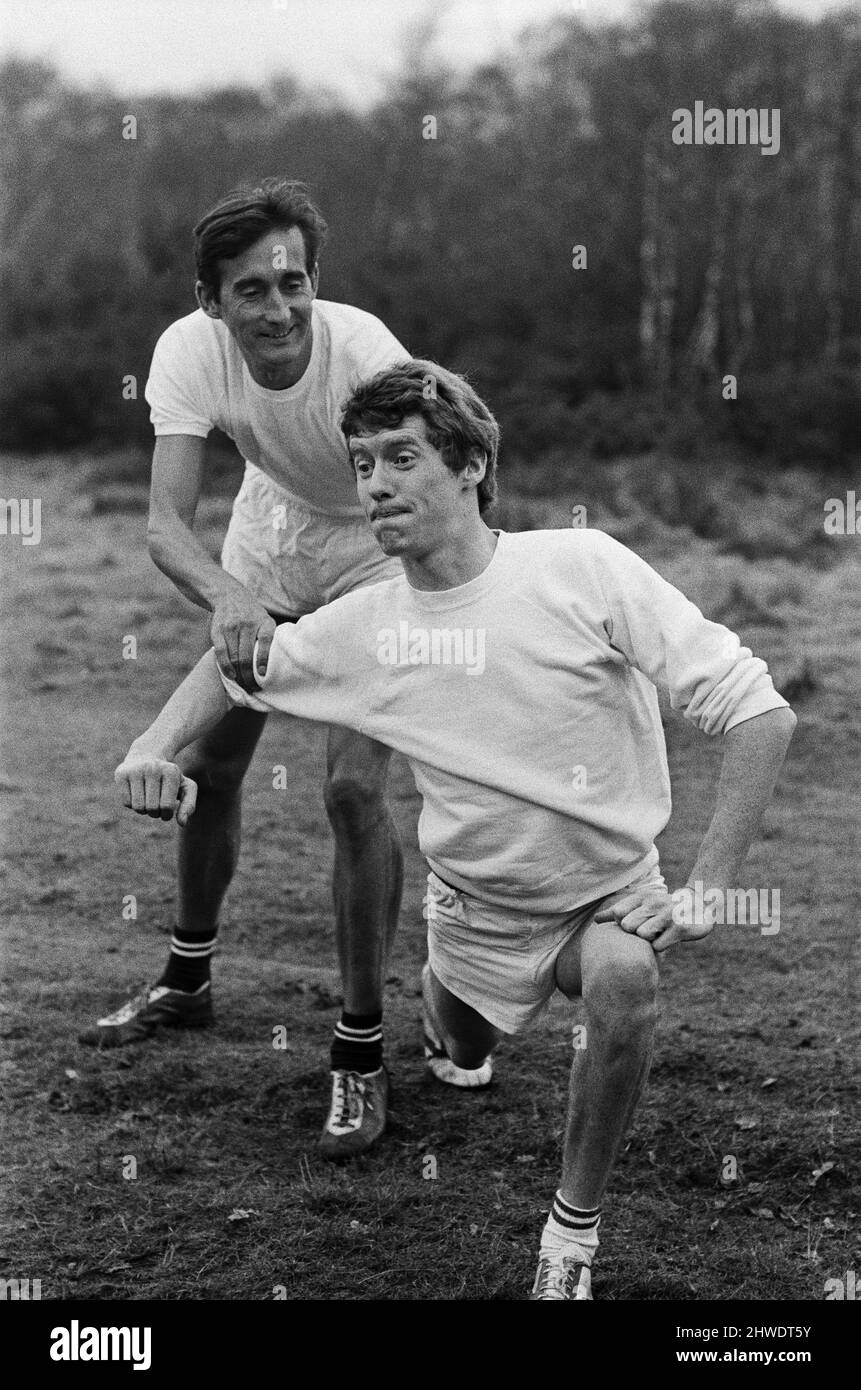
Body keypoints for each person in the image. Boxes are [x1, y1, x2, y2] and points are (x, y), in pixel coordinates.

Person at [112, 360, 796, 1298]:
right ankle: (445, 1008)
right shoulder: (368, 624)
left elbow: (760, 714)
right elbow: (239, 663)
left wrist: (709, 884)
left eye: (402, 457)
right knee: (465, 1049)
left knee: (626, 980)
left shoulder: (579, 568)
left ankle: (569, 1238)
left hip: (606, 895)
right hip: (476, 912)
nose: (377, 484)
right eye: (361, 465)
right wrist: (151, 749)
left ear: (470, 463)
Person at [80, 176, 423, 1161]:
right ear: (209, 301)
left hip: (379, 543)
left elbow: (440, 476)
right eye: (250, 291)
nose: (277, 309)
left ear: (315, 280)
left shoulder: (366, 355)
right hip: (269, 525)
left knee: (354, 790)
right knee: (212, 766)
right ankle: (187, 980)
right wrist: (235, 598)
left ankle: (359, 1052)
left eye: (293, 282)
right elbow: (163, 525)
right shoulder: (187, 353)